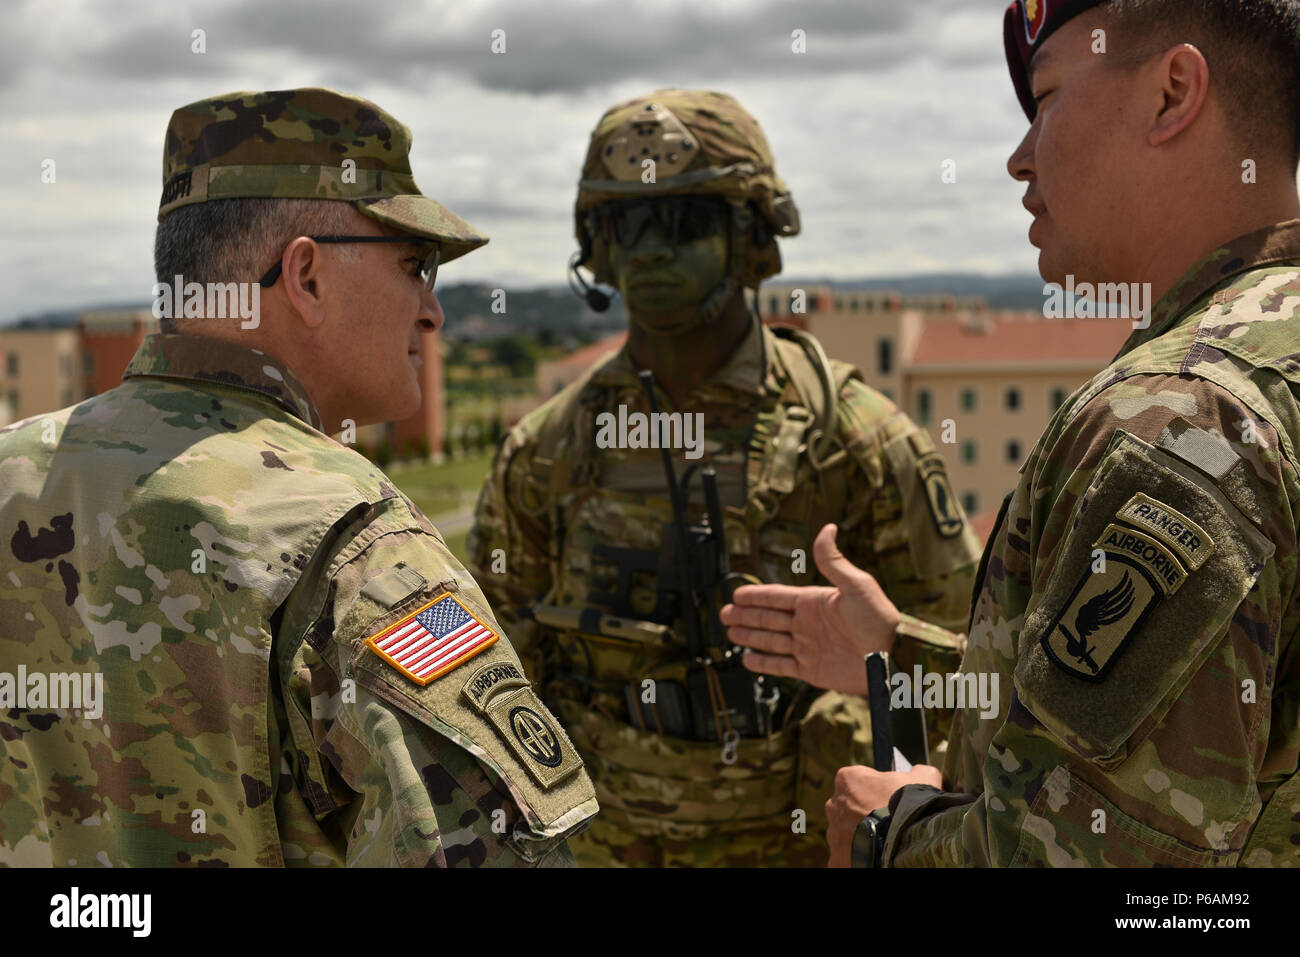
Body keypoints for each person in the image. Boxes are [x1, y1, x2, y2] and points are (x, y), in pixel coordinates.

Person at [722, 0, 1300, 867]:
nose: (1018, 157)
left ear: (1172, 93)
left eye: (1048, 97)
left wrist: (892, 833)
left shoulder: (1179, 418)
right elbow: (1201, 723)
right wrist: (899, 660)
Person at [0, 88, 597, 867]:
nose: (431, 311)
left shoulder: (14, 468)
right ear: (307, 276)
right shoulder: (354, 541)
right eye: (416, 264)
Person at [467, 89, 980, 866]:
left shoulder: (858, 444)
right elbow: (493, 689)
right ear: (595, 249)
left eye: (683, 223)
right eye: (623, 224)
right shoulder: (545, 452)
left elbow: (970, 684)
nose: (648, 251)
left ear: (753, 239)